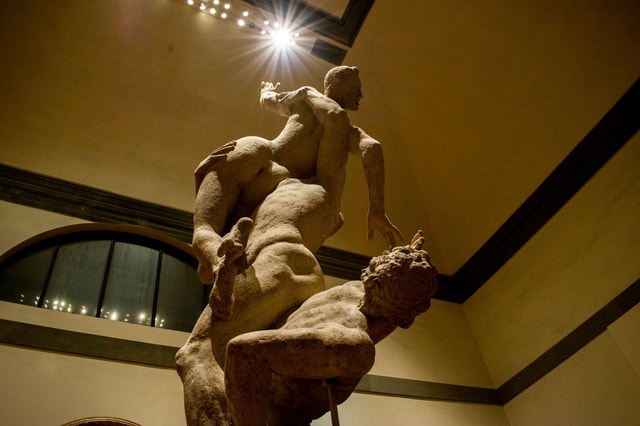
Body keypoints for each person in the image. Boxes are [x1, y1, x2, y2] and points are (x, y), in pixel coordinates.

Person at [192, 66, 403, 291]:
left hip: (262, 161)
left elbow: (268, 100)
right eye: (355, 89)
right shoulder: (339, 123)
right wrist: (376, 209)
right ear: (334, 85)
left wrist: (270, 92)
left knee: (208, 228)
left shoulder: (308, 101)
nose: (361, 95)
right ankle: (218, 263)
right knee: (210, 227)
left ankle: (218, 263)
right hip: (273, 172)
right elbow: (369, 145)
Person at [224, 231, 439, 426]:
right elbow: (243, 353)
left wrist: (406, 260)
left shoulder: (355, 300)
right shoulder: (355, 325)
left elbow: (244, 353)